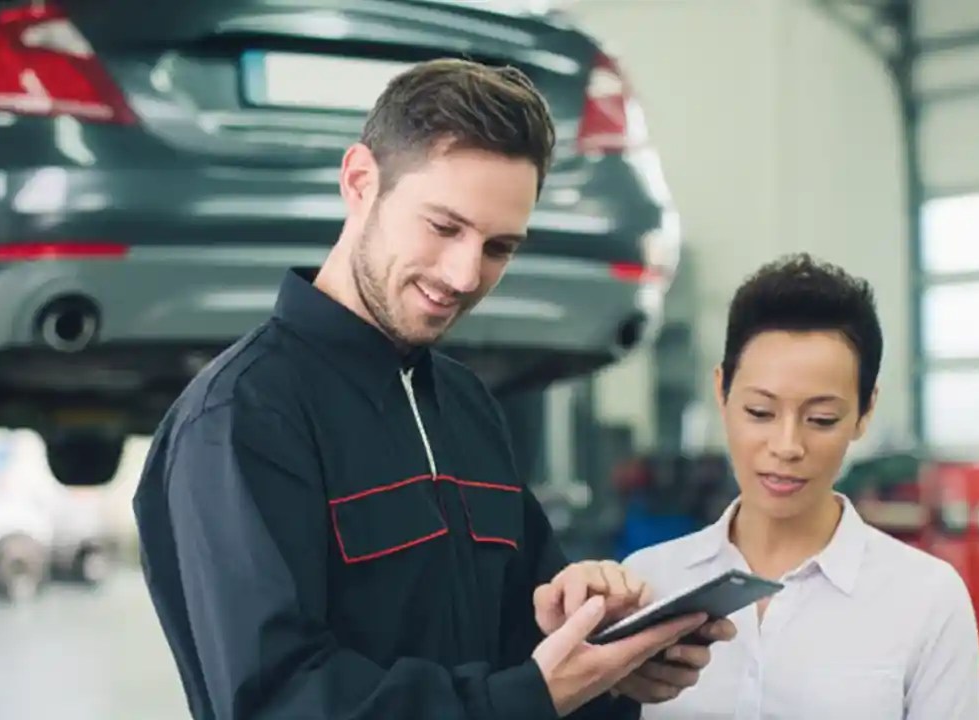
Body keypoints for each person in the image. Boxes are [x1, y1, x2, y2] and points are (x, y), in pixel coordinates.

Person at [132, 58, 733, 720]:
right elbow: (281, 700)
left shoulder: (467, 405)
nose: (465, 274)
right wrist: (539, 692)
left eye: (500, 246)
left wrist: (611, 668)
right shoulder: (244, 417)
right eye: (444, 227)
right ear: (361, 182)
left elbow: (522, 650)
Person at [623, 254, 979, 719]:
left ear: (865, 412)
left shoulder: (927, 599)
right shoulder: (649, 583)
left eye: (821, 420)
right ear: (722, 392)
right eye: (760, 413)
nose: (787, 445)